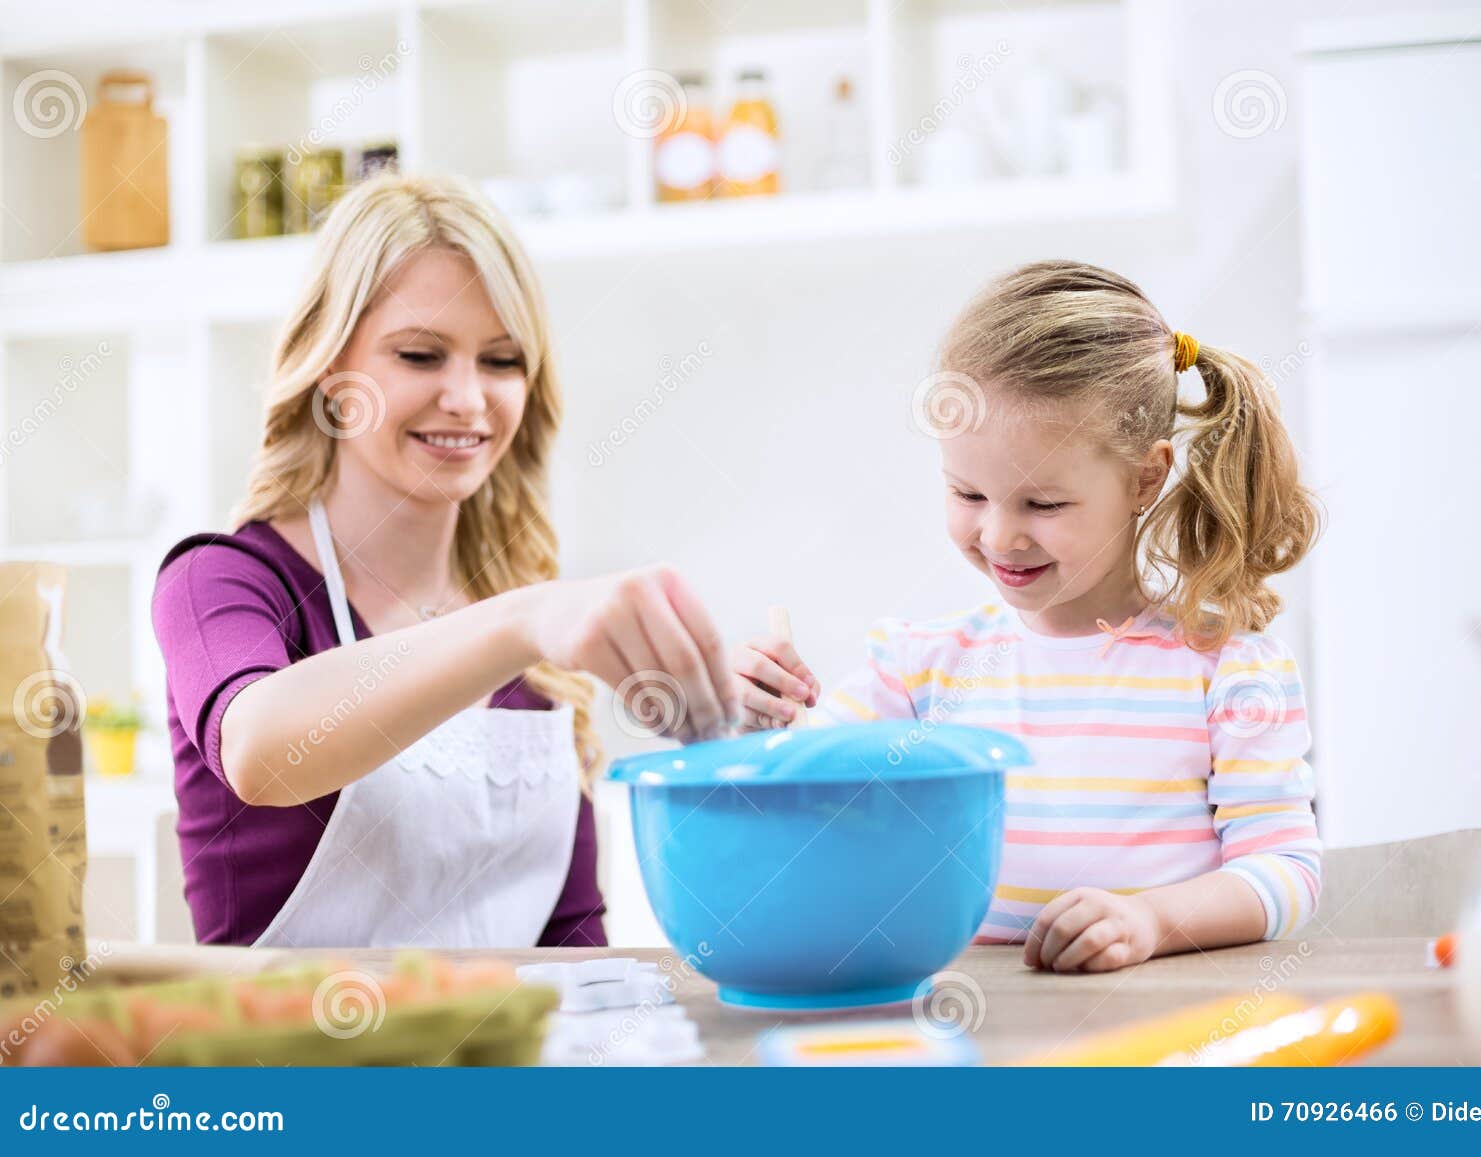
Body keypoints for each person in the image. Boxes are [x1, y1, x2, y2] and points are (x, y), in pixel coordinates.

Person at [152, 174, 737, 947]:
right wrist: (522, 619)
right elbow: (264, 752)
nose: (467, 397)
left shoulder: (530, 647)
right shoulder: (224, 581)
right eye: (421, 354)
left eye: (501, 360)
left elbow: (571, 942)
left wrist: (736, 742)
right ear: (331, 371)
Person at [734, 260, 1323, 973]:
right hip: (980, 1030)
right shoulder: (918, 669)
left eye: (1043, 504)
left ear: (1144, 478)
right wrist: (760, 720)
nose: (1001, 535)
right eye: (967, 493)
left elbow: (1287, 872)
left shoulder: (1225, 669)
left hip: (1164, 1032)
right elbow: (797, 797)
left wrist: (1150, 921)